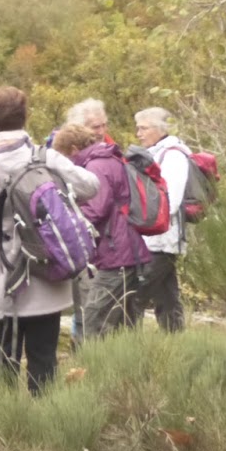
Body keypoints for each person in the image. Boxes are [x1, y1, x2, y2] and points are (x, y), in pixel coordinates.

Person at [0, 86, 98, 393]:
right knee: (44, 359)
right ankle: (43, 417)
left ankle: (3, 416)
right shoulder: (46, 158)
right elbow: (91, 186)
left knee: (2, 357)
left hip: (2, 278)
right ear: (25, 116)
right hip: (47, 274)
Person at [56, 123, 151, 339]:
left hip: (116, 253)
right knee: (123, 324)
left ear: (73, 149)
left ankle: (94, 360)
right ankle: (130, 359)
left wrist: (65, 217)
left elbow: (96, 208)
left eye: (65, 157)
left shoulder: (96, 166)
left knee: (93, 320)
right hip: (128, 250)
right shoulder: (108, 159)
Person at [134, 107, 190, 332]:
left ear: (160, 129)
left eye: (143, 128)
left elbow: (171, 201)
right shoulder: (158, 153)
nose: (138, 134)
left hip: (161, 240)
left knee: (134, 296)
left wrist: (139, 218)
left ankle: (125, 344)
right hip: (156, 239)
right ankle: (175, 342)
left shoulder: (173, 156)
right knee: (166, 298)